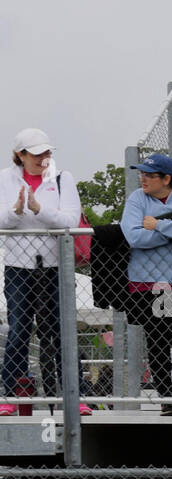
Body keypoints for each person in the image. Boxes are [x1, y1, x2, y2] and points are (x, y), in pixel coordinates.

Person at [0, 128, 90, 416]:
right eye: (36, 154)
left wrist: (38, 211)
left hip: (56, 268)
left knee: (62, 332)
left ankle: (76, 397)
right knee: (19, 333)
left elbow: (70, 221)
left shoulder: (63, 178)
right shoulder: (5, 178)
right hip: (18, 267)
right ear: (21, 155)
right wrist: (15, 212)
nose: (43, 158)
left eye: (46, 152)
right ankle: (11, 394)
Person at [120, 153, 172, 417]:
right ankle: (167, 396)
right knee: (157, 341)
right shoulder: (137, 198)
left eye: (149, 174)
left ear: (166, 179)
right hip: (146, 281)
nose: (143, 178)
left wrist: (157, 225)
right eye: (141, 174)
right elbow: (133, 236)